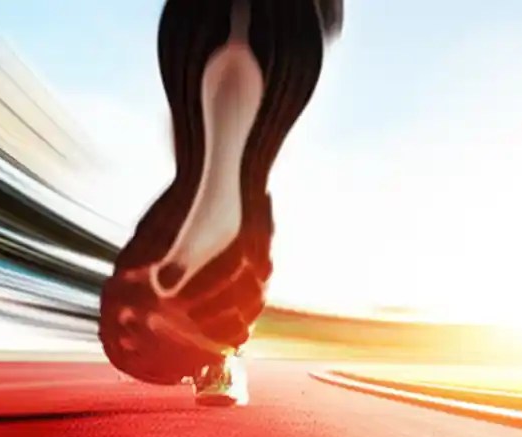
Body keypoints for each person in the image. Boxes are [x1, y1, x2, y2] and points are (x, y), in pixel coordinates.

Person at [98, 0, 343, 406]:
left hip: (204, 29)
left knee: (197, 153)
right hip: (296, 32)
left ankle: (215, 344)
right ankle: (216, 347)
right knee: (321, 22)